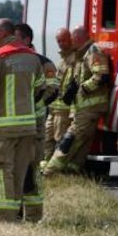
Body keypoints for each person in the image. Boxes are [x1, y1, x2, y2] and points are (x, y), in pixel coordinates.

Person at [0, 18, 44, 222]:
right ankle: (18, 214)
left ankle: (5, 217)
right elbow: (40, 90)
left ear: (4, 33)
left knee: (2, 170)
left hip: (2, 127)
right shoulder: (32, 57)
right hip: (27, 127)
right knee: (21, 171)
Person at [44, 24, 110, 176]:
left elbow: (101, 75)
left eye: (72, 39)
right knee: (82, 143)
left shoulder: (93, 51)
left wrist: (82, 88)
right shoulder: (83, 54)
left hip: (90, 107)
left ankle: (49, 172)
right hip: (85, 108)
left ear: (78, 38)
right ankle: (72, 171)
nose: (71, 42)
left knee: (70, 140)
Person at [12, 23, 58, 182]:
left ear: (27, 40)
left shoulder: (44, 63)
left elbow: (53, 90)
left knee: (33, 163)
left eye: (16, 38)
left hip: (35, 123)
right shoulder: (10, 61)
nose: (12, 42)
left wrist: (33, 107)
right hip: (13, 123)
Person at [43, 28, 74, 162]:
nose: (61, 43)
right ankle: (46, 165)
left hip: (63, 110)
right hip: (54, 108)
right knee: (46, 138)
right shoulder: (63, 59)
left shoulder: (74, 59)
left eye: (64, 40)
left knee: (60, 140)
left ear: (71, 39)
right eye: (59, 41)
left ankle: (56, 170)